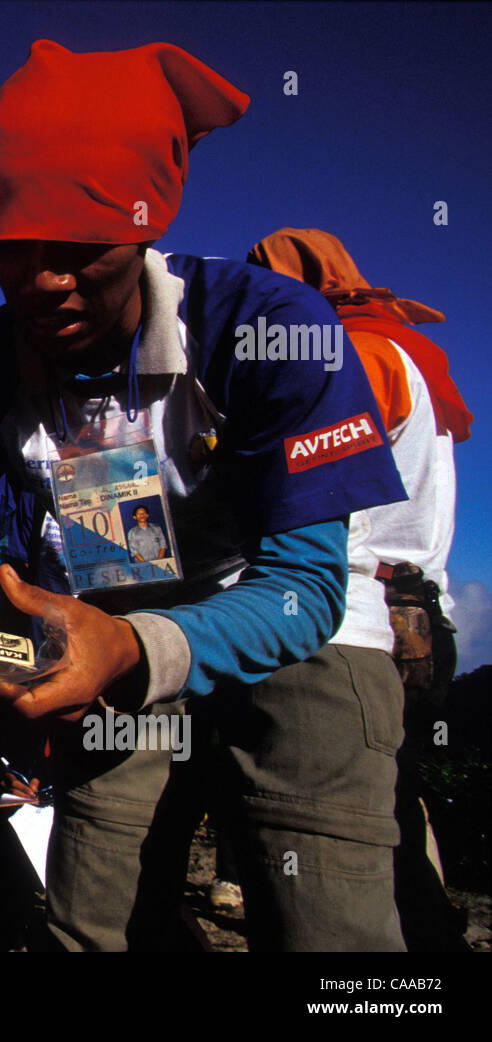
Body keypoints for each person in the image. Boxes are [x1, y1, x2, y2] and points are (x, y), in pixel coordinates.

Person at [0, 40, 410, 950]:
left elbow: (307, 584)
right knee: (92, 908)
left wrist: (135, 645)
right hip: (112, 623)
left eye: (83, 249)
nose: (47, 281)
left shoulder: (275, 329)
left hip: (303, 630)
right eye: (16, 253)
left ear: (143, 229)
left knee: (327, 917)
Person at [248, 227, 473, 950]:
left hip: (336, 623)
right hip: (408, 628)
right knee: (392, 822)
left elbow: (315, 502)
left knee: (330, 885)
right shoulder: (408, 355)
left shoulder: (353, 356)